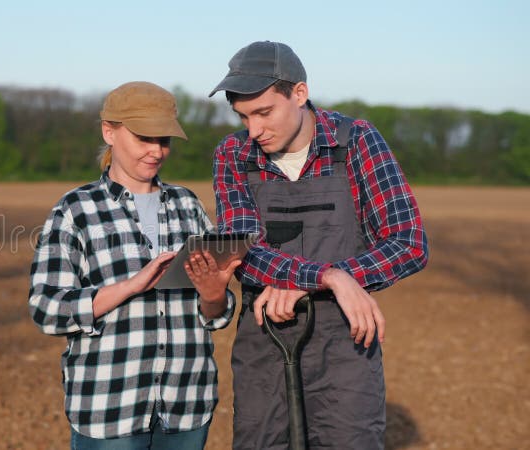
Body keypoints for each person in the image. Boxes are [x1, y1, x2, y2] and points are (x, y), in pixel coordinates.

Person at [209, 41, 429, 449]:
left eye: (263, 112)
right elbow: (243, 253)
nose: (254, 130)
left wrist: (318, 282)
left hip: (345, 346)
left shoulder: (357, 142)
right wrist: (330, 276)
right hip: (264, 343)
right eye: (243, 116)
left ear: (299, 94)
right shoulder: (233, 154)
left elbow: (408, 243)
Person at [28, 81, 241, 449]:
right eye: (145, 138)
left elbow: (215, 314)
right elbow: (47, 309)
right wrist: (130, 286)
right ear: (109, 132)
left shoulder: (188, 206)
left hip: (187, 406)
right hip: (110, 411)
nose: (157, 151)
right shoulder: (75, 211)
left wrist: (213, 294)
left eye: (165, 140)